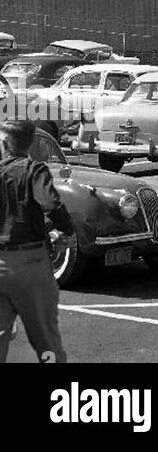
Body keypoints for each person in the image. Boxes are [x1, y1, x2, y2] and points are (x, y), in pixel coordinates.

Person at [0, 119, 74, 363]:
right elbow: (50, 203)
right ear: (30, 143)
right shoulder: (34, 170)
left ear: (4, 143)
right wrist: (63, 230)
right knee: (46, 341)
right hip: (30, 265)